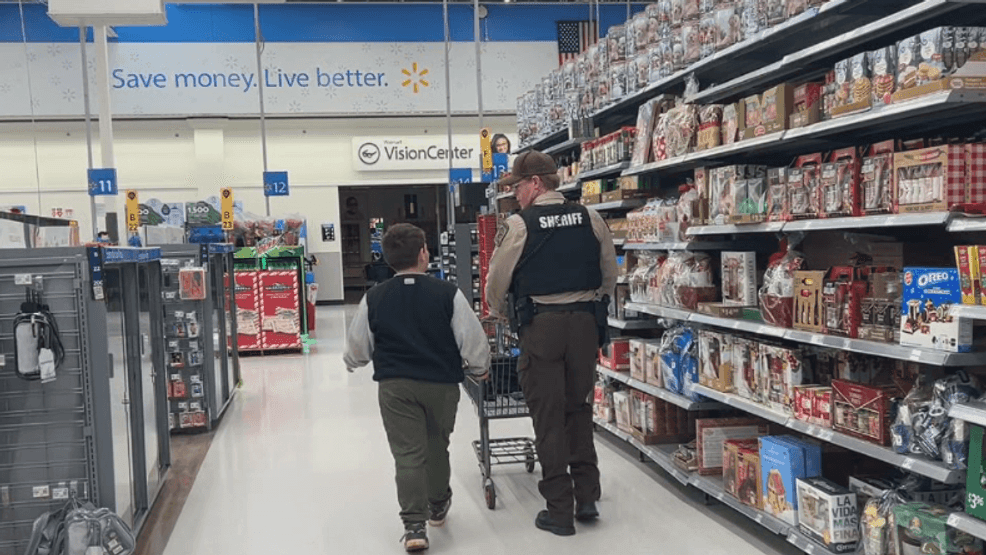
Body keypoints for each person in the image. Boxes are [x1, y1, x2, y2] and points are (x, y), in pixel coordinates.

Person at [485, 151, 617, 536]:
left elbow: (497, 281)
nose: (517, 195)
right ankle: (587, 495)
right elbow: (609, 271)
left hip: (542, 326)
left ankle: (559, 510)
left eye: (519, 187)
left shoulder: (519, 225)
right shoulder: (590, 217)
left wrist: (502, 314)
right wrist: (593, 303)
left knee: (548, 417)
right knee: (579, 407)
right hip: (584, 326)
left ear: (536, 184)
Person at [344, 223, 490, 553]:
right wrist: (480, 369)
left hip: (395, 387)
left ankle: (414, 527)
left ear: (388, 259)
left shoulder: (374, 297)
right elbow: (472, 339)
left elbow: (357, 350)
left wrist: (353, 363)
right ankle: (438, 504)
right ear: (424, 253)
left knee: (408, 455)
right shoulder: (448, 294)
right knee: (437, 445)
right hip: (441, 385)